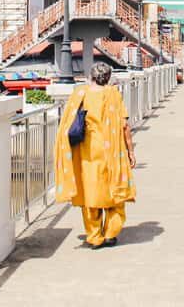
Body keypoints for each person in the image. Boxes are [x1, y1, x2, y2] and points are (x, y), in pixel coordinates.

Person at [54, 62, 137, 248]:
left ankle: (94, 236)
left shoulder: (80, 94)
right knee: (115, 190)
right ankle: (110, 233)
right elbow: (125, 126)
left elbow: (67, 124)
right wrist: (131, 151)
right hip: (112, 151)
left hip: (88, 151)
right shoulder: (113, 94)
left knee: (91, 193)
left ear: (90, 76)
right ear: (108, 78)